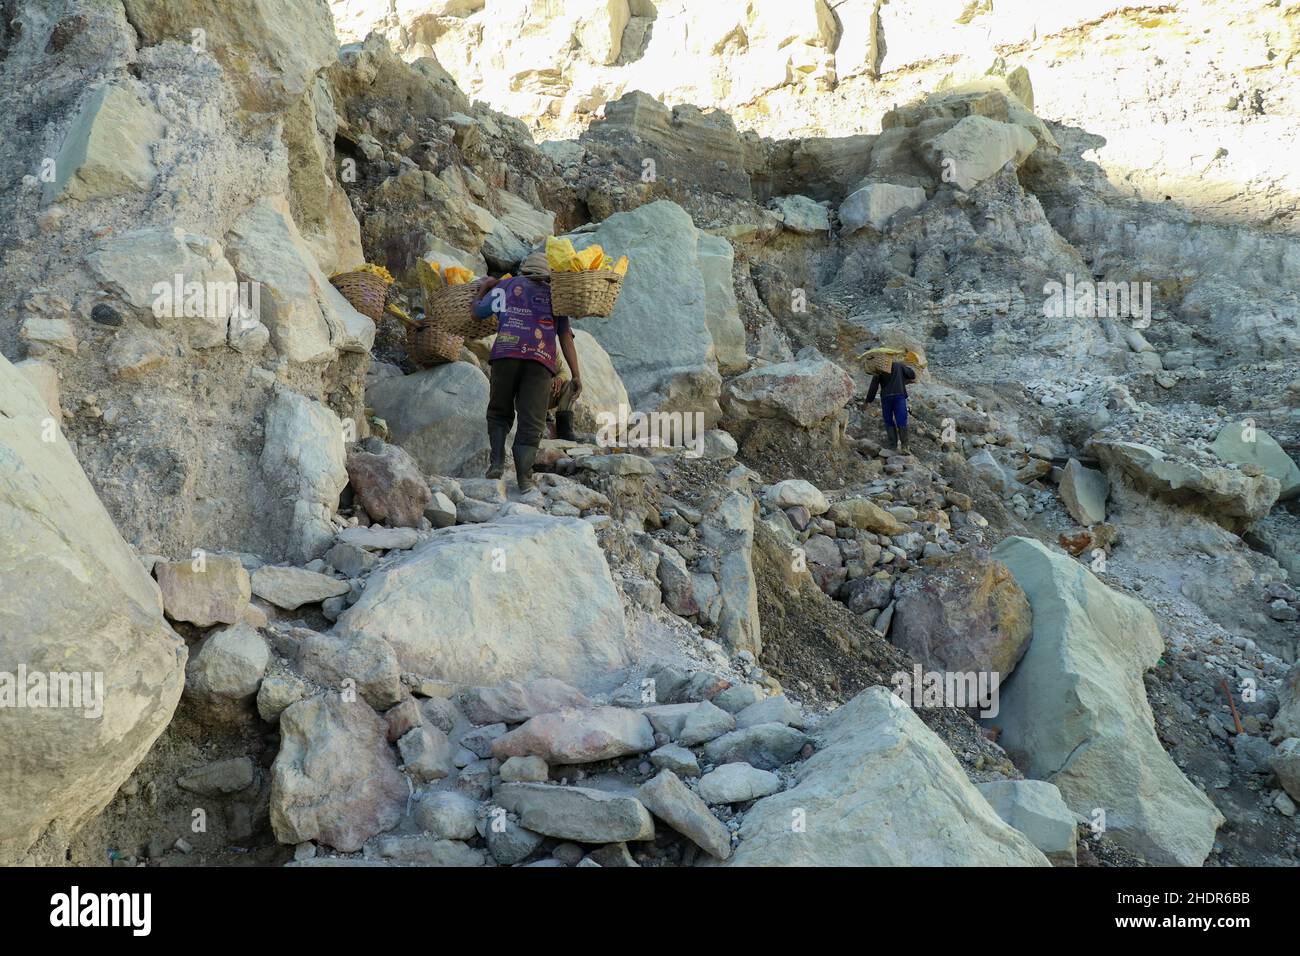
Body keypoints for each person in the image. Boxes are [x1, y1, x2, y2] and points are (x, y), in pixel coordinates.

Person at [472, 252, 582, 491]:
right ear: (548, 275)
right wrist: (576, 374)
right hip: (539, 361)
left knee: (499, 412)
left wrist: (485, 288)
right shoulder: (556, 296)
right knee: (531, 421)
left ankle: (497, 463)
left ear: (523, 271)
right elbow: (565, 336)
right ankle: (524, 479)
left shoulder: (504, 285)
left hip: (504, 355)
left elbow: (478, 312)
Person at [864, 355, 915, 451]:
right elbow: (912, 375)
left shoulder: (878, 370)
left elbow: (873, 387)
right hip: (899, 396)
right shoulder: (899, 366)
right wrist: (905, 372)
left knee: (888, 420)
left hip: (886, 398)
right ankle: (905, 447)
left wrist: (868, 401)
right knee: (901, 419)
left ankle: (892, 445)